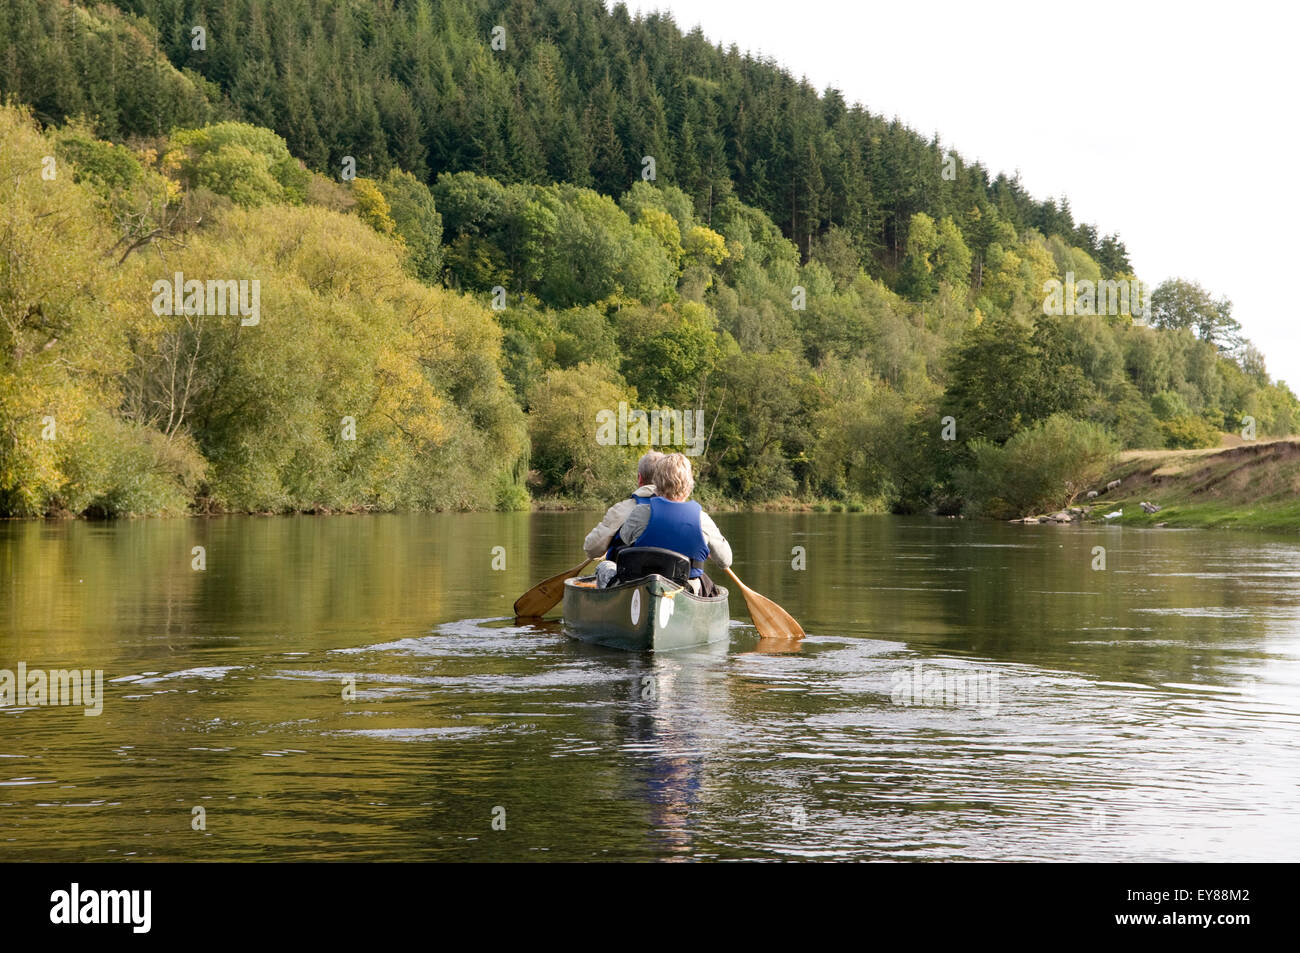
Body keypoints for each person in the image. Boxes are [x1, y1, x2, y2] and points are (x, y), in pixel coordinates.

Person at [614, 452, 731, 596]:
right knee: (707, 584)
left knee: (605, 567)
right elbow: (726, 560)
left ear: (656, 483)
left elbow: (625, 538)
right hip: (686, 589)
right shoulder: (702, 520)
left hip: (642, 586)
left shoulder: (640, 513)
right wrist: (706, 548)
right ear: (689, 485)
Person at [585, 451, 663, 587]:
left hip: (626, 581)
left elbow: (591, 549)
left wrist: (607, 546)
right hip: (668, 580)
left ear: (640, 478)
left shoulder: (620, 510)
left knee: (604, 566)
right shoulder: (681, 513)